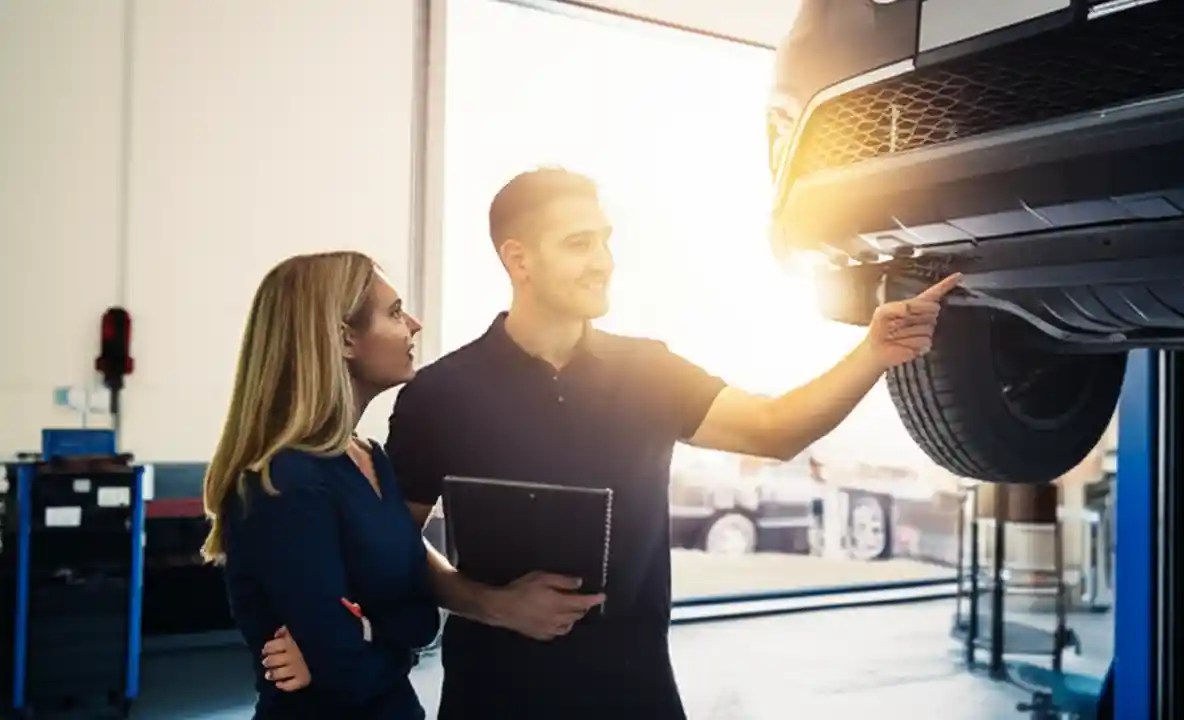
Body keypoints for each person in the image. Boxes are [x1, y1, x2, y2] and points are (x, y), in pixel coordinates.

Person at [376, 167, 963, 718]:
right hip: (493, 695)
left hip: (635, 692)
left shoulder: (648, 371)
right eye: (579, 243)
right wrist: (492, 603)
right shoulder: (440, 394)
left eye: (605, 241)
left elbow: (775, 429)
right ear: (519, 260)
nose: (603, 262)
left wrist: (873, 353)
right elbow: (395, 548)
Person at [201, 251, 441, 720]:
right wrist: (390, 640)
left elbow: (423, 617)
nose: (414, 324)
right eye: (394, 312)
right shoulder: (282, 482)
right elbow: (343, 673)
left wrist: (371, 632)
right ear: (345, 339)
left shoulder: (373, 459)